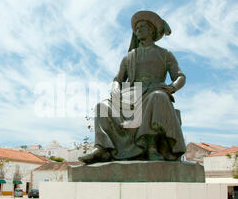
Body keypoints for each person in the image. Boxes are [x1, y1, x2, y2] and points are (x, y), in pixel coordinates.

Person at [79, 10, 186, 164]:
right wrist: (115, 88)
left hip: (154, 92)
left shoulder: (165, 54)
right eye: (136, 29)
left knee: (158, 97)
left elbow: (180, 77)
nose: (138, 31)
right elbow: (118, 79)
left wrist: (172, 87)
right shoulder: (129, 57)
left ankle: (151, 147)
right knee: (101, 106)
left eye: (141, 27)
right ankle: (102, 148)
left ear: (151, 30)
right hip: (131, 95)